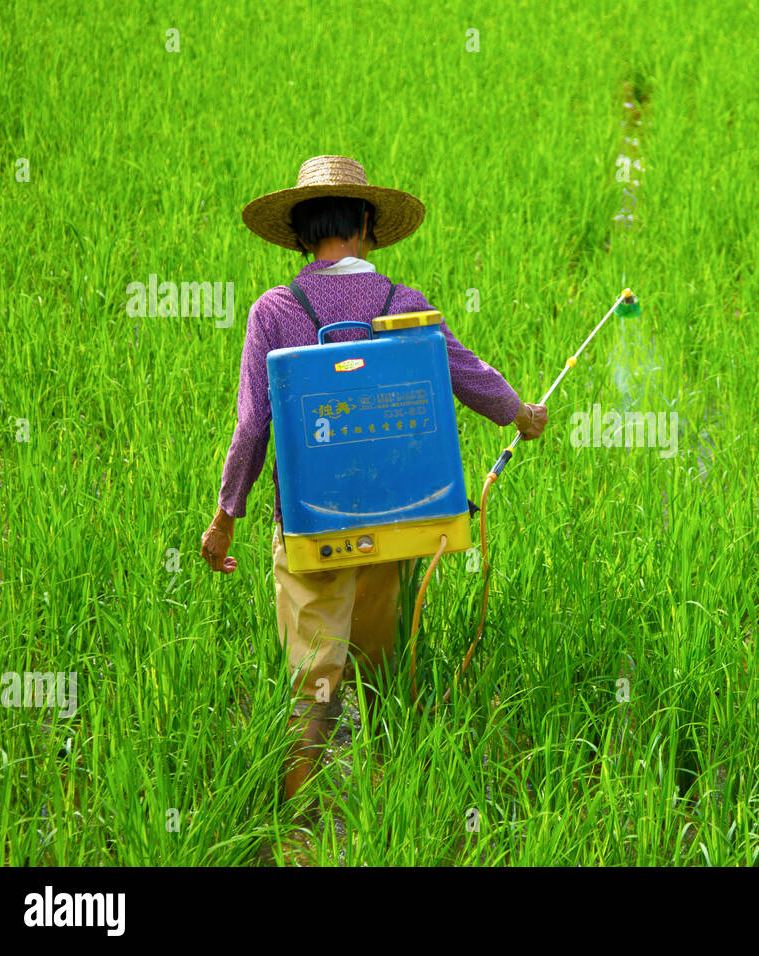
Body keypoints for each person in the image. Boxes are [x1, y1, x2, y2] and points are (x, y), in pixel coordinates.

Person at [199, 155, 546, 807]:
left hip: (310, 527)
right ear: (366, 222)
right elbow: (470, 376)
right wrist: (522, 414)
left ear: (301, 233)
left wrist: (226, 516)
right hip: (396, 523)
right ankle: (392, 799)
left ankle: (303, 818)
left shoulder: (273, 311)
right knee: (382, 667)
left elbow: (252, 428)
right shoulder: (401, 305)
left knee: (314, 676)